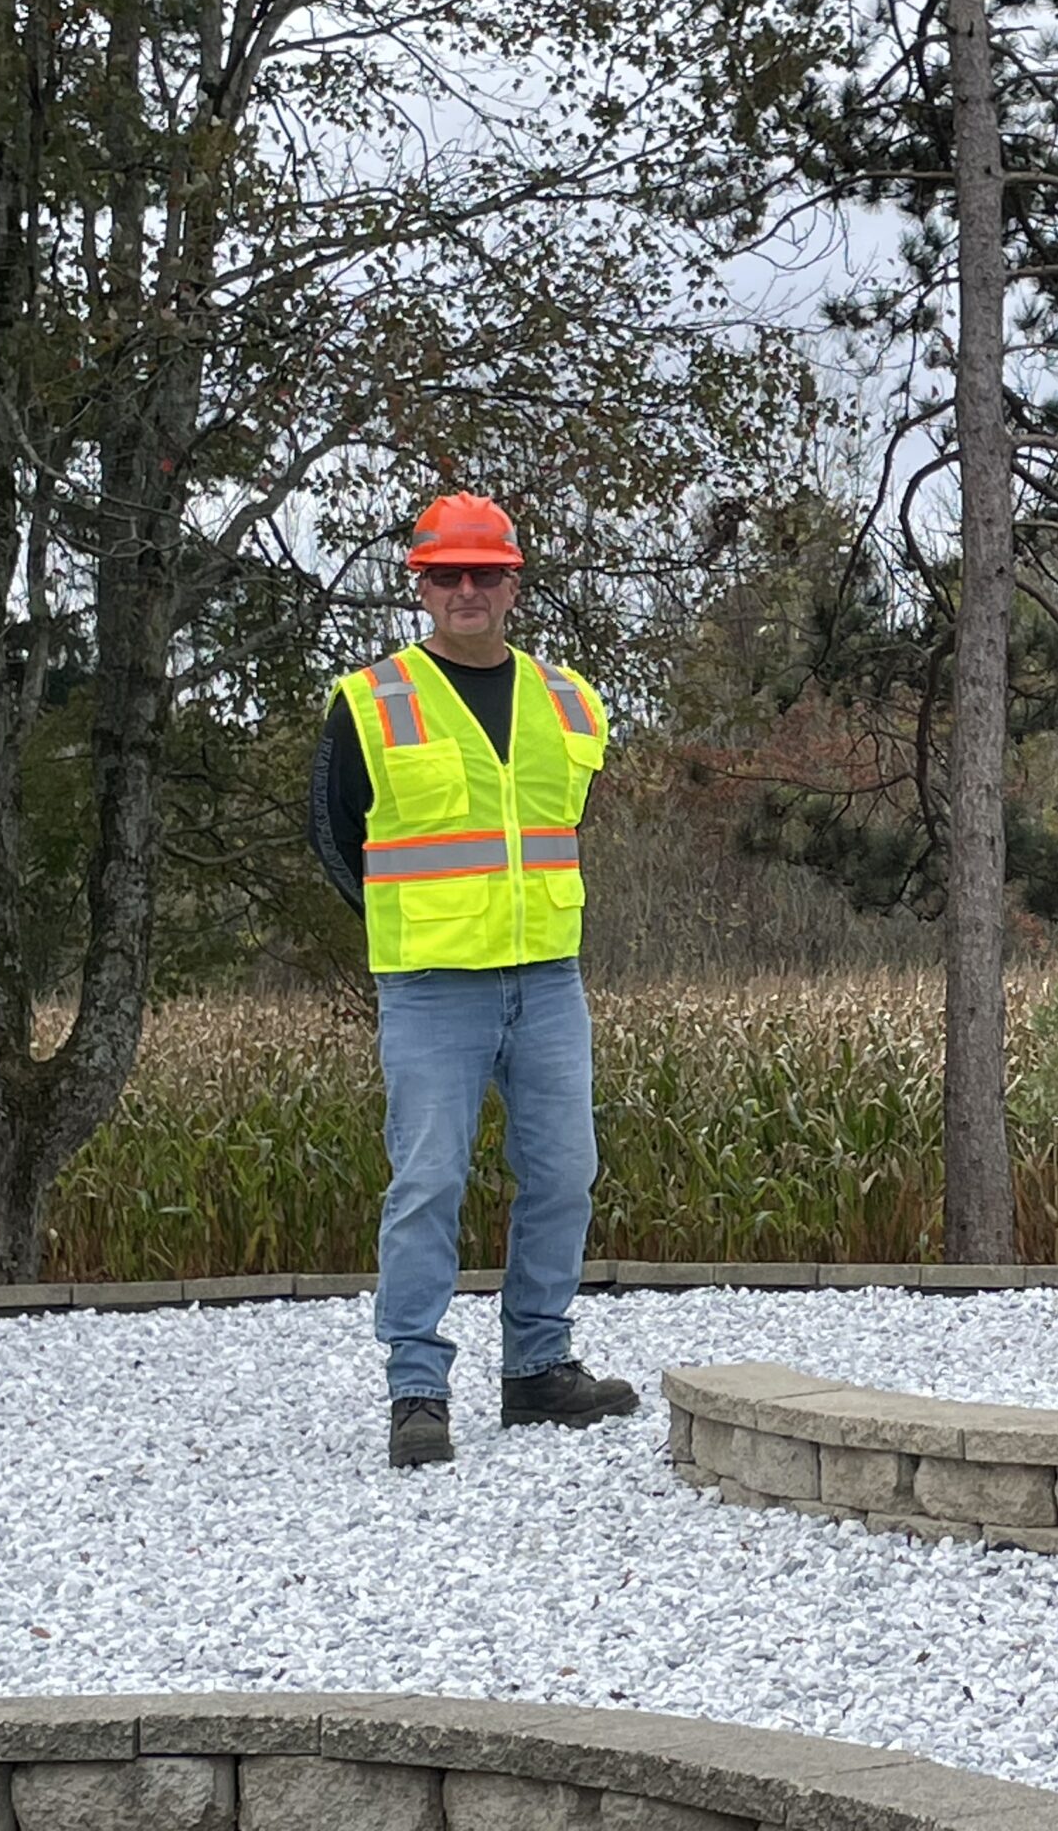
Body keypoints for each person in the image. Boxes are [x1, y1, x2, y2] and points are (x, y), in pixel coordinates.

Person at [310, 491, 639, 1468]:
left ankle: (538, 1370)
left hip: (545, 978)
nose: (465, 589)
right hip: (431, 986)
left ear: (511, 581)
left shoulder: (571, 700)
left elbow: (556, 825)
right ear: (420, 584)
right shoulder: (371, 701)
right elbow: (336, 838)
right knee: (428, 1183)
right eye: (445, 574)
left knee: (565, 1174)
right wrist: (419, 927)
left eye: (482, 573)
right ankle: (418, 1390)